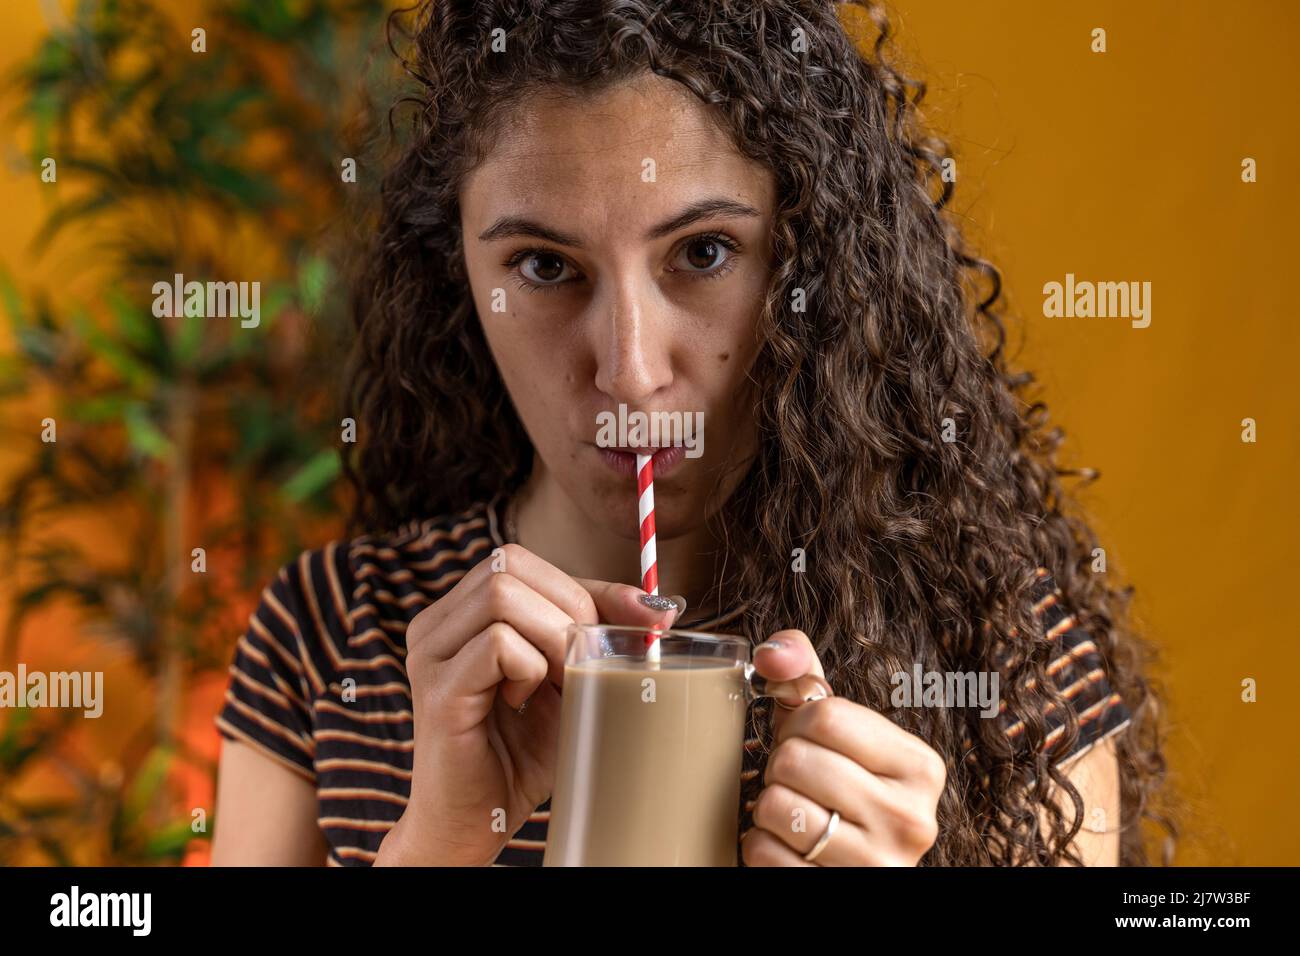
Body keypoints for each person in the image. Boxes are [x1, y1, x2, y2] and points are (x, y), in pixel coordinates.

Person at [210, 0, 1173, 867]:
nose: (629, 368)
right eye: (545, 266)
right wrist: (439, 847)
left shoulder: (1000, 656)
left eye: (703, 253)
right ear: (457, 271)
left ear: (809, 264)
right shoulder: (333, 633)